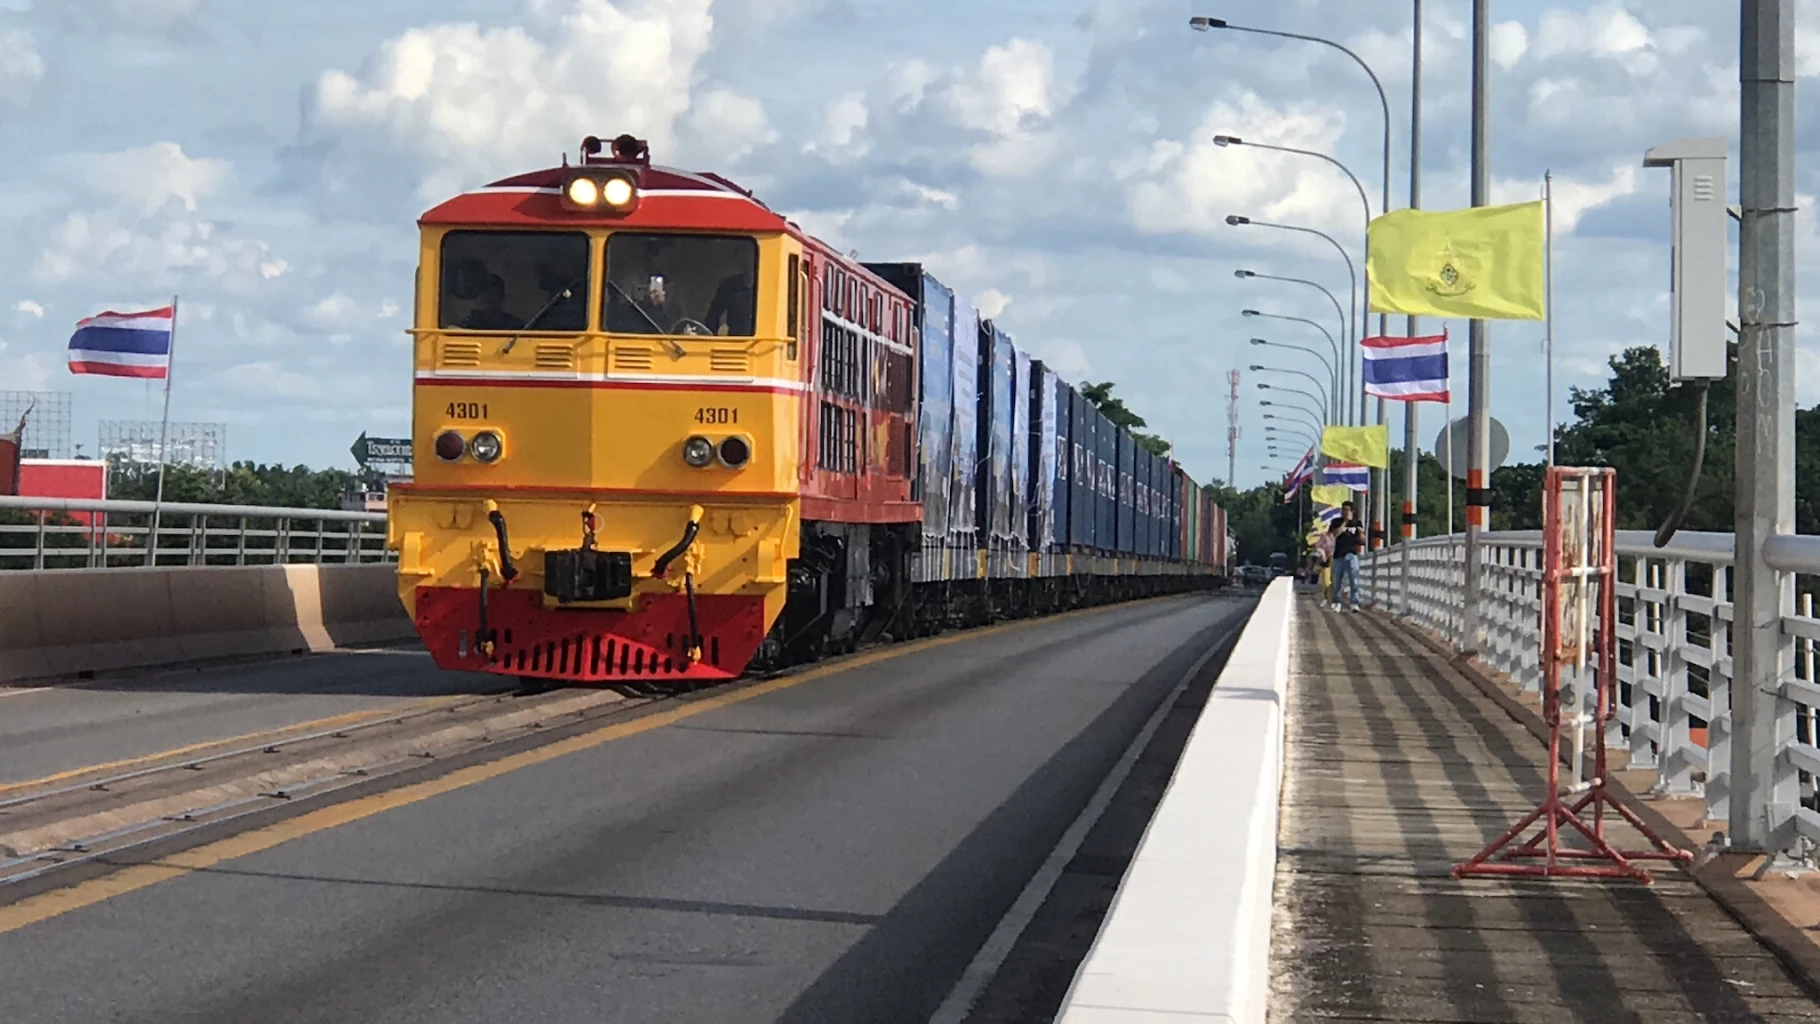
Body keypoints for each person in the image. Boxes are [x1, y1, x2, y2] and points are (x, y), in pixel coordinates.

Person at [1328, 501, 1365, 611]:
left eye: (1347, 510)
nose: (1345, 512)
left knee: (1354, 579)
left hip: (1352, 554)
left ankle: (1354, 602)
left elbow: (1363, 541)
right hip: (1339, 554)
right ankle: (1336, 602)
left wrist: (1361, 532)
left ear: (1352, 511)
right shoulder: (1336, 522)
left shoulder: (1357, 523)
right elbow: (1334, 535)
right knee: (1337, 581)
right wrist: (1344, 522)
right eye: (1343, 510)